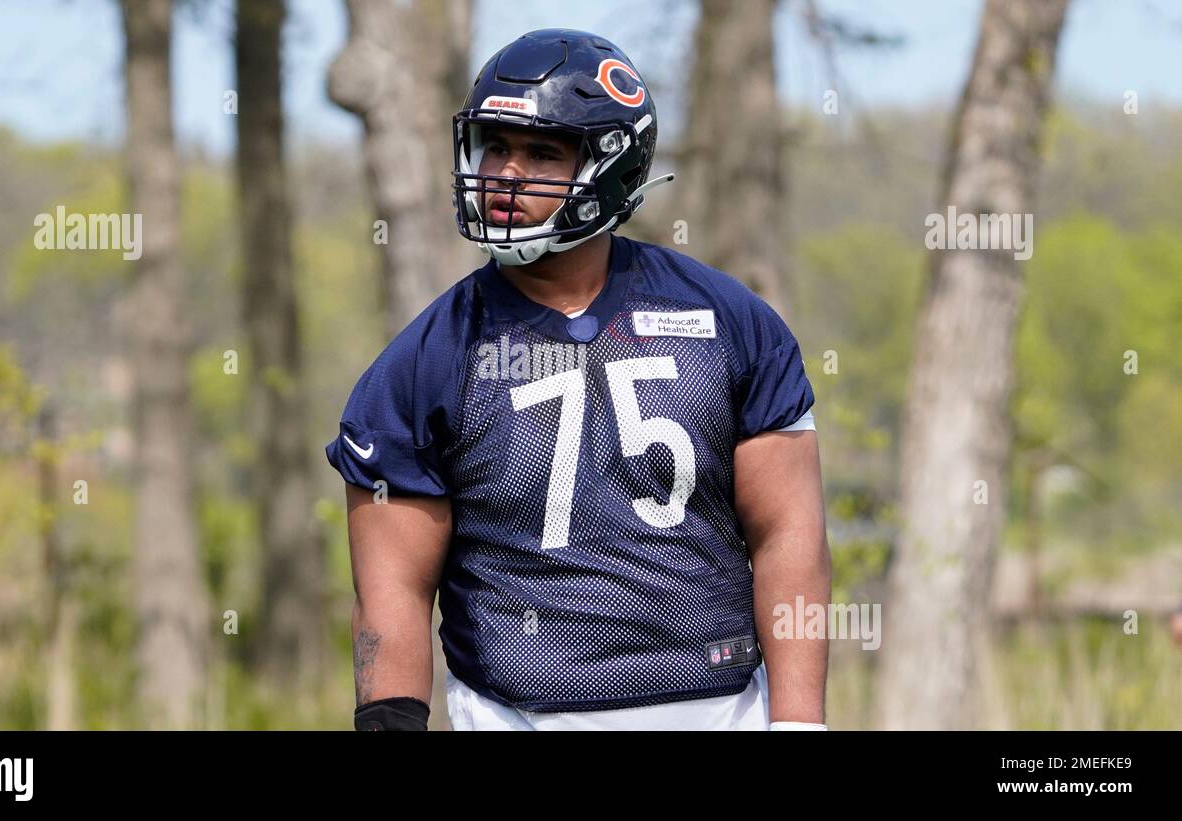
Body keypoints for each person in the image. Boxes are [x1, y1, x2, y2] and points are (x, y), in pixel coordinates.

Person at [327, 28, 831, 730]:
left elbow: (789, 536)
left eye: (539, 152)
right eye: (494, 145)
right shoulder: (426, 360)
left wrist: (800, 723)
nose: (503, 172)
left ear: (608, 166)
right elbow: (393, 592)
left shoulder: (732, 323)